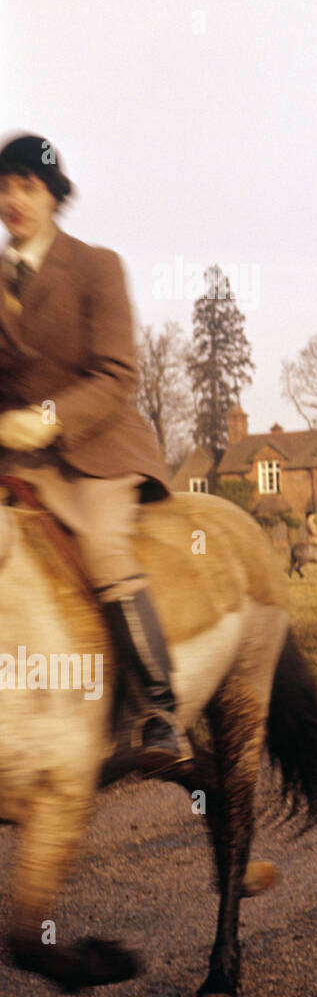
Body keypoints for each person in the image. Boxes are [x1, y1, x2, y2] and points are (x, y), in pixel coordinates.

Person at [0, 133, 188, 777]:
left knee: (105, 552)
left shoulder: (96, 266)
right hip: (15, 459)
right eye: (4, 187)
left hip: (93, 449)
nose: (13, 200)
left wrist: (47, 420)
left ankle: (160, 713)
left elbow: (116, 375)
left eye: (27, 186)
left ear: (55, 195)